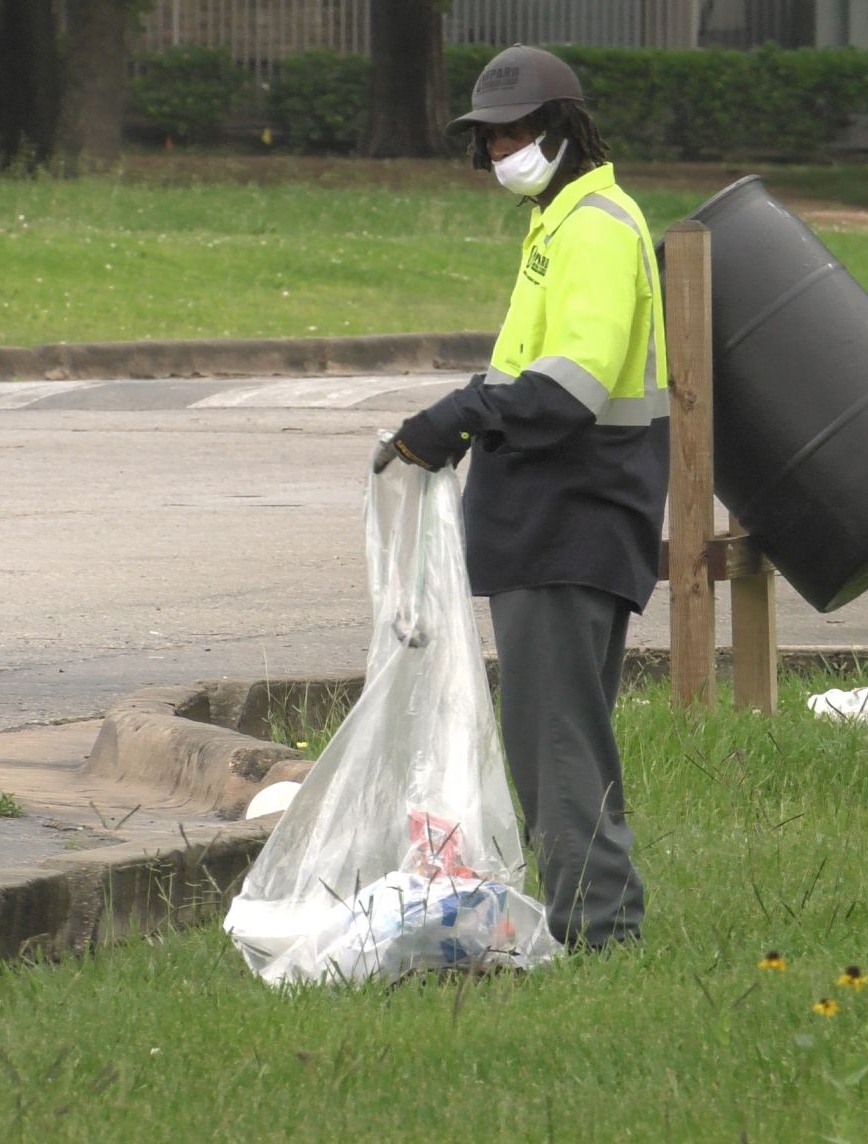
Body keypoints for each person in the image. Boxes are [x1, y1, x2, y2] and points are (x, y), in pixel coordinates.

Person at [373, 44, 668, 952]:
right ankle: (595, 917)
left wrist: (461, 412)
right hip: (559, 520)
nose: (503, 151)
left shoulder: (594, 230)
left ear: (565, 130)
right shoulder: (562, 221)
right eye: (492, 138)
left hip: (571, 521)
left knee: (557, 745)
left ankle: (601, 928)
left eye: (518, 133)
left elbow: (571, 385)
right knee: (556, 737)